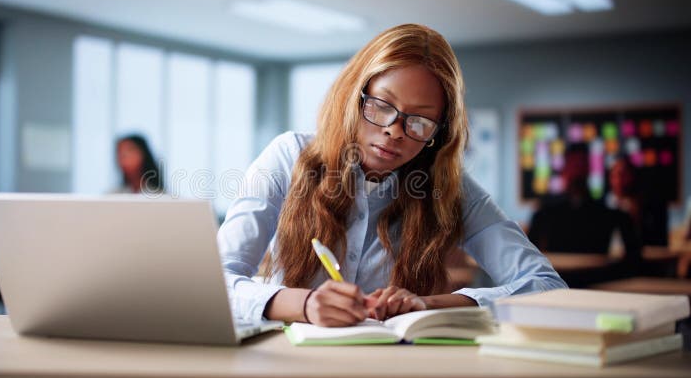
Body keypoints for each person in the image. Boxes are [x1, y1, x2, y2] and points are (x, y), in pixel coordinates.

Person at [217, 24, 566, 327]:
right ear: (354, 96)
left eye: (419, 121)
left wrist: (429, 306)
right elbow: (214, 282)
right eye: (382, 106)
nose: (394, 131)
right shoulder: (288, 157)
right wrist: (303, 304)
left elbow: (545, 286)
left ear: (438, 134)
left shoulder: (449, 189)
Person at [528, 146, 641, 286]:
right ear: (564, 170)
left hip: (595, 285)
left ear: (588, 170)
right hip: (555, 284)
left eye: (581, 166)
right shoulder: (544, 213)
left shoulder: (609, 214)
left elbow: (633, 259)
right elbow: (529, 258)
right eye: (573, 166)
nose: (577, 172)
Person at [607, 155, 668, 246]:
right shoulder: (603, 206)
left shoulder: (649, 207)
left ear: (632, 176)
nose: (618, 181)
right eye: (613, 176)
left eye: (622, 175)